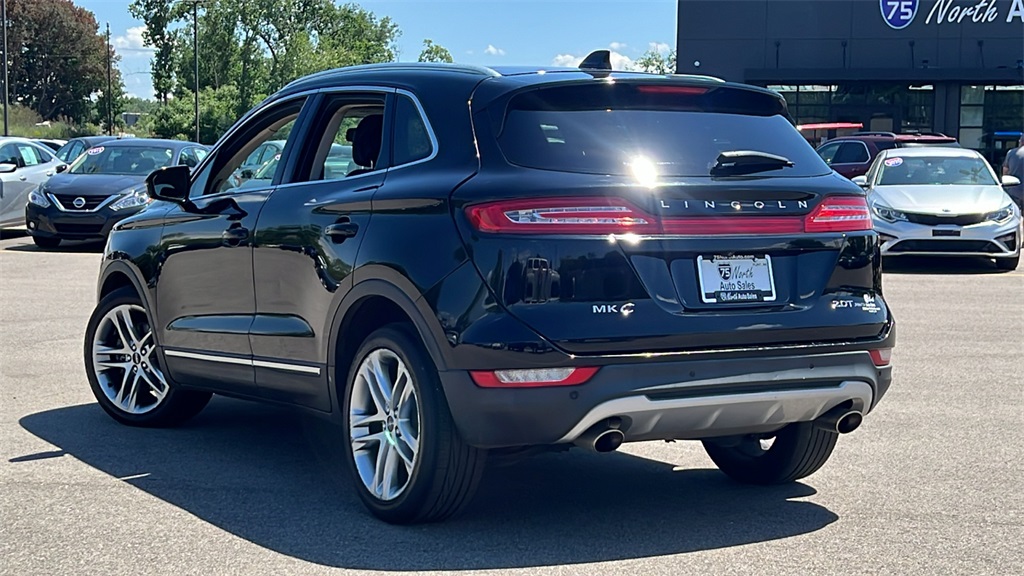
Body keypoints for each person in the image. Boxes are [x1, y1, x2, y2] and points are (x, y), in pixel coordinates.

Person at [1003, 135, 1024, 209]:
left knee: (1015, 211)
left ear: (1020, 141)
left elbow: (1005, 171)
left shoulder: (1011, 153)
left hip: (1014, 190)